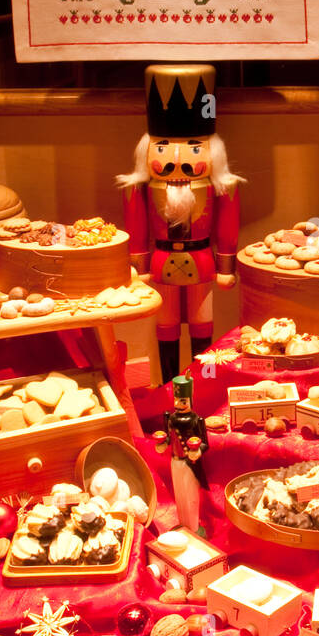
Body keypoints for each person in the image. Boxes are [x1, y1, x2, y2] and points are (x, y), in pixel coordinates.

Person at [117, 64, 242, 383]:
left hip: (201, 262)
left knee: (204, 324)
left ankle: (205, 382)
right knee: (166, 325)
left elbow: (227, 225)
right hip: (161, 263)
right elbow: (137, 228)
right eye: (162, 148)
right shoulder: (139, 189)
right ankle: (170, 385)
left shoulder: (221, 189)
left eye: (194, 149)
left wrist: (226, 267)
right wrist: (138, 265)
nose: (177, 160)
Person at [154, 376, 209, 533]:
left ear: (190, 400)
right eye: (177, 401)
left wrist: (197, 450)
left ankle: (192, 527)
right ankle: (183, 525)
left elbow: (205, 443)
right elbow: (169, 437)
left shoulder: (196, 420)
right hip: (175, 461)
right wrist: (163, 443)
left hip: (189, 463)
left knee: (190, 495)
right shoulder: (171, 419)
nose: (179, 405)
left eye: (183, 401)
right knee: (179, 495)